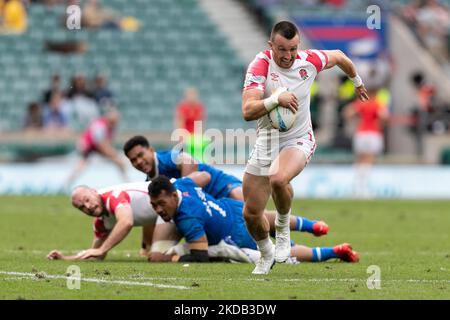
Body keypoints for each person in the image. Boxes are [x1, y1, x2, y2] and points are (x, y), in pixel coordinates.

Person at [241, 21, 368, 274]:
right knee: (251, 213)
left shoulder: (309, 60)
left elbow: (341, 57)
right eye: (282, 49)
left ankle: (283, 226)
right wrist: (277, 98)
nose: (288, 56)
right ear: (271, 46)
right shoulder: (261, 64)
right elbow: (247, 111)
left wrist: (357, 82)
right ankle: (266, 253)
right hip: (267, 142)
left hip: (298, 139)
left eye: (293, 49)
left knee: (278, 178)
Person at [123, 135, 329, 256]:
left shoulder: (165, 158)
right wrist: (146, 246)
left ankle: (310, 225)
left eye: (141, 155)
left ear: (150, 150)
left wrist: (188, 192)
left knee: (251, 211)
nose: (139, 162)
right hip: (214, 206)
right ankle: (287, 245)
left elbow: (188, 160)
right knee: (251, 227)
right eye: (134, 160)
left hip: (222, 187)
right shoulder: (151, 185)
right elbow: (151, 214)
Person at [147, 175, 359, 264]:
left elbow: (200, 255)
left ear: (173, 196)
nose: (158, 210)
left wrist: (173, 256)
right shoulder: (183, 185)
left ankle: (334, 252)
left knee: (283, 251)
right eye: (154, 205)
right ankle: (313, 225)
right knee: (269, 218)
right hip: (231, 208)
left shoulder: (187, 219)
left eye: (161, 204)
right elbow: (204, 176)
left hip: (237, 236)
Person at [65, 107, 128, 188]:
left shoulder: (113, 128)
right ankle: (68, 183)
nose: (114, 124)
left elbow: (108, 143)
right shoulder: (99, 126)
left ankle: (126, 182)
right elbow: (101, 145)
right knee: (82, 164)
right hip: (88, 145)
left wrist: (114, 156)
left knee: (118, 161)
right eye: (112, 122)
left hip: (97, 146)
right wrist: (113, 155)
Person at [343, 88, 389, 198]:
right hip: (373, 134)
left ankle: (357, 188)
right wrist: (380, 124)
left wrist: (355, 122)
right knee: (369, 160)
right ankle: (364, 190)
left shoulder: (361, 103)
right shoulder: (377, 104)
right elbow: (385, 116)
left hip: (361, 133)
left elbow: (347, 112)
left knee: (360, 160)